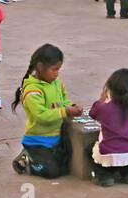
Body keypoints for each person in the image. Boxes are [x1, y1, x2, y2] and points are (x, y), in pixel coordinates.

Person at [10, 44, 81, 177]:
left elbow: (64, 100)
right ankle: (27, 159)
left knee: (66, 166)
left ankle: (39, 158)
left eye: (58, 69)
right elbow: (41, 115)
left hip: (55, 137)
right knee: (52, 172)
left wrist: (72, 106)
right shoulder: (32, 90)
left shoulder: (57, 82)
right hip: (38, 141)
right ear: (40, 67)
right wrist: (65, 111)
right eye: (54, 69)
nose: (57, 73)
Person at [88, 68, 128, 186]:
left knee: (90, 149)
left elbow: (92, 113)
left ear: (110, 90)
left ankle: (105, 176)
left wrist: (101, 100)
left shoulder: (104, 108)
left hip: (109, 151)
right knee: (127, 157)